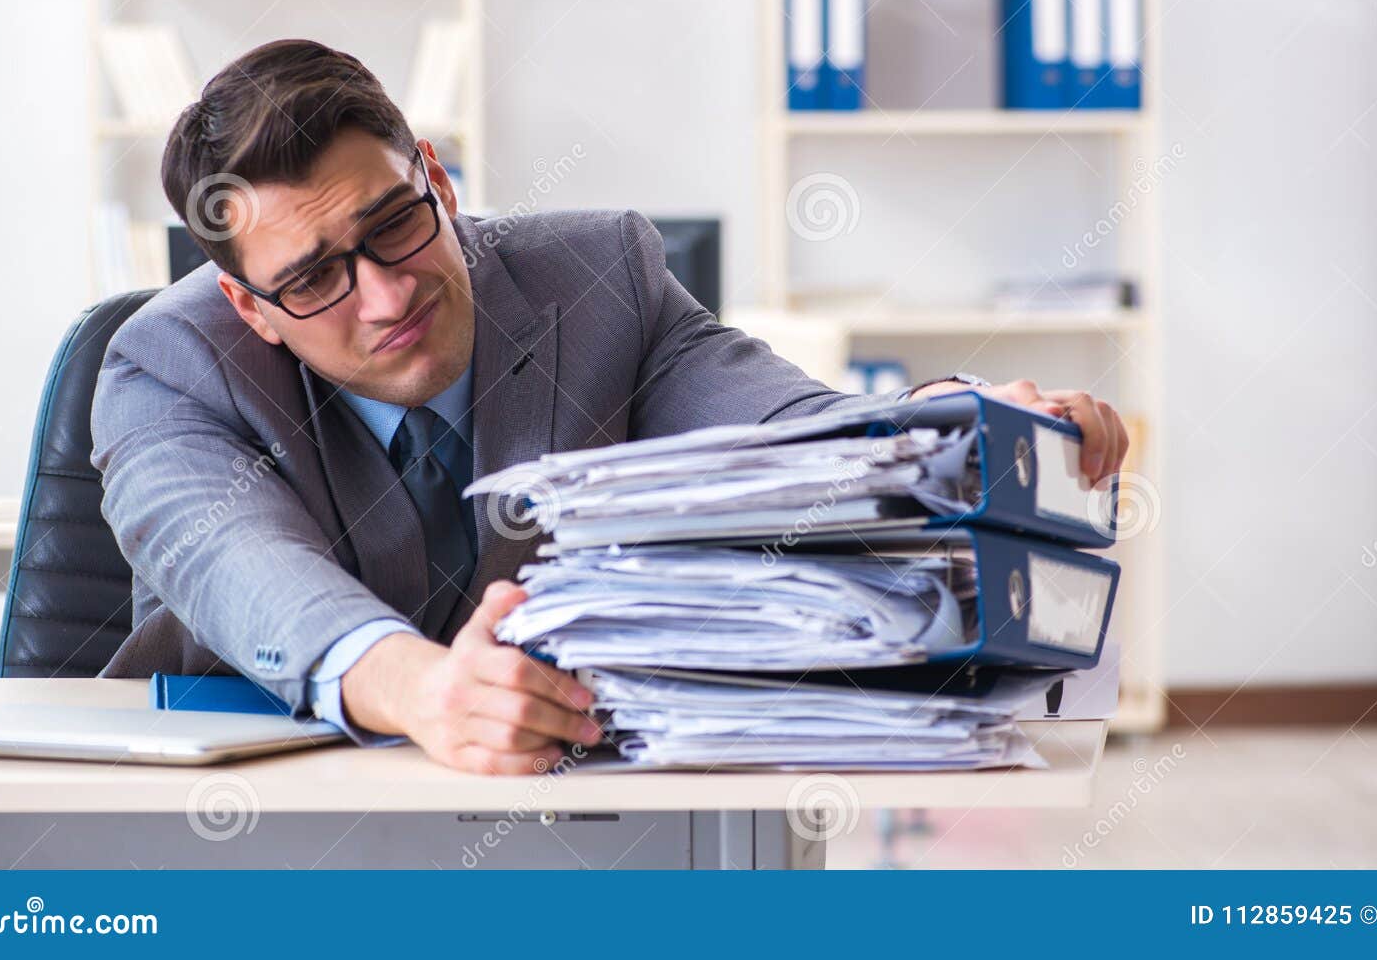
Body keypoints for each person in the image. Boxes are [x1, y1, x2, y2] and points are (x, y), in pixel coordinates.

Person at [92, 39, 1128, 774]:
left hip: (565, 796)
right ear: (250, 306)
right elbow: (243, 566)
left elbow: (784, 430)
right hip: (250, 803)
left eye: (396, 224)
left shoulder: (600, 280)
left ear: (437, 182)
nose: (387, 296)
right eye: (315, 278)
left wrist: (950, 423)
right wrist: (420, 689)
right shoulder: (170, 361)